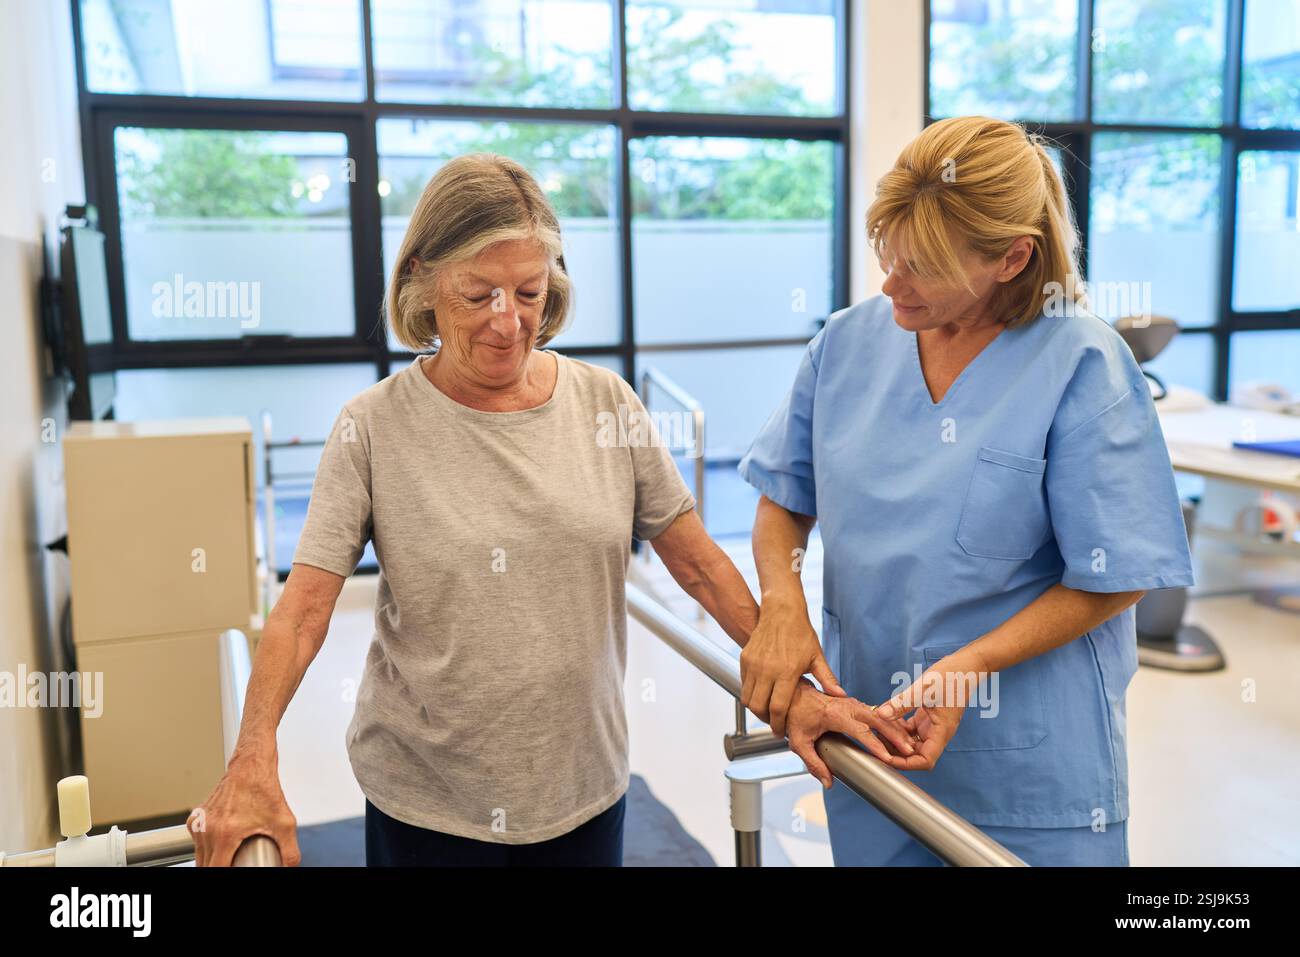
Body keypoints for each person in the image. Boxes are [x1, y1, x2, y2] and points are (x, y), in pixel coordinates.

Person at [189, 153, 905, 867]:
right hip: (426, 804)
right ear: (422, 281)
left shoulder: (606, 404)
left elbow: (698, 564)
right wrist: (253, 758)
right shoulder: (373, 426)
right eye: (479, 295)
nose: (509, 322)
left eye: (528, 291)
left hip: (583, 792)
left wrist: (796, 692)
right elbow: (304, 611)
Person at [738, 116, 1195, 866]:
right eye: (887, 254)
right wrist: (782, 607)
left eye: (920, 267)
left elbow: (1119, 577)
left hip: (1030, 773)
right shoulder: (849, 344)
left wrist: (967, 668)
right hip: (873, 742)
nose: (891, 284)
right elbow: (786, 494)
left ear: (1012, 258)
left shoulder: (1082, 361)